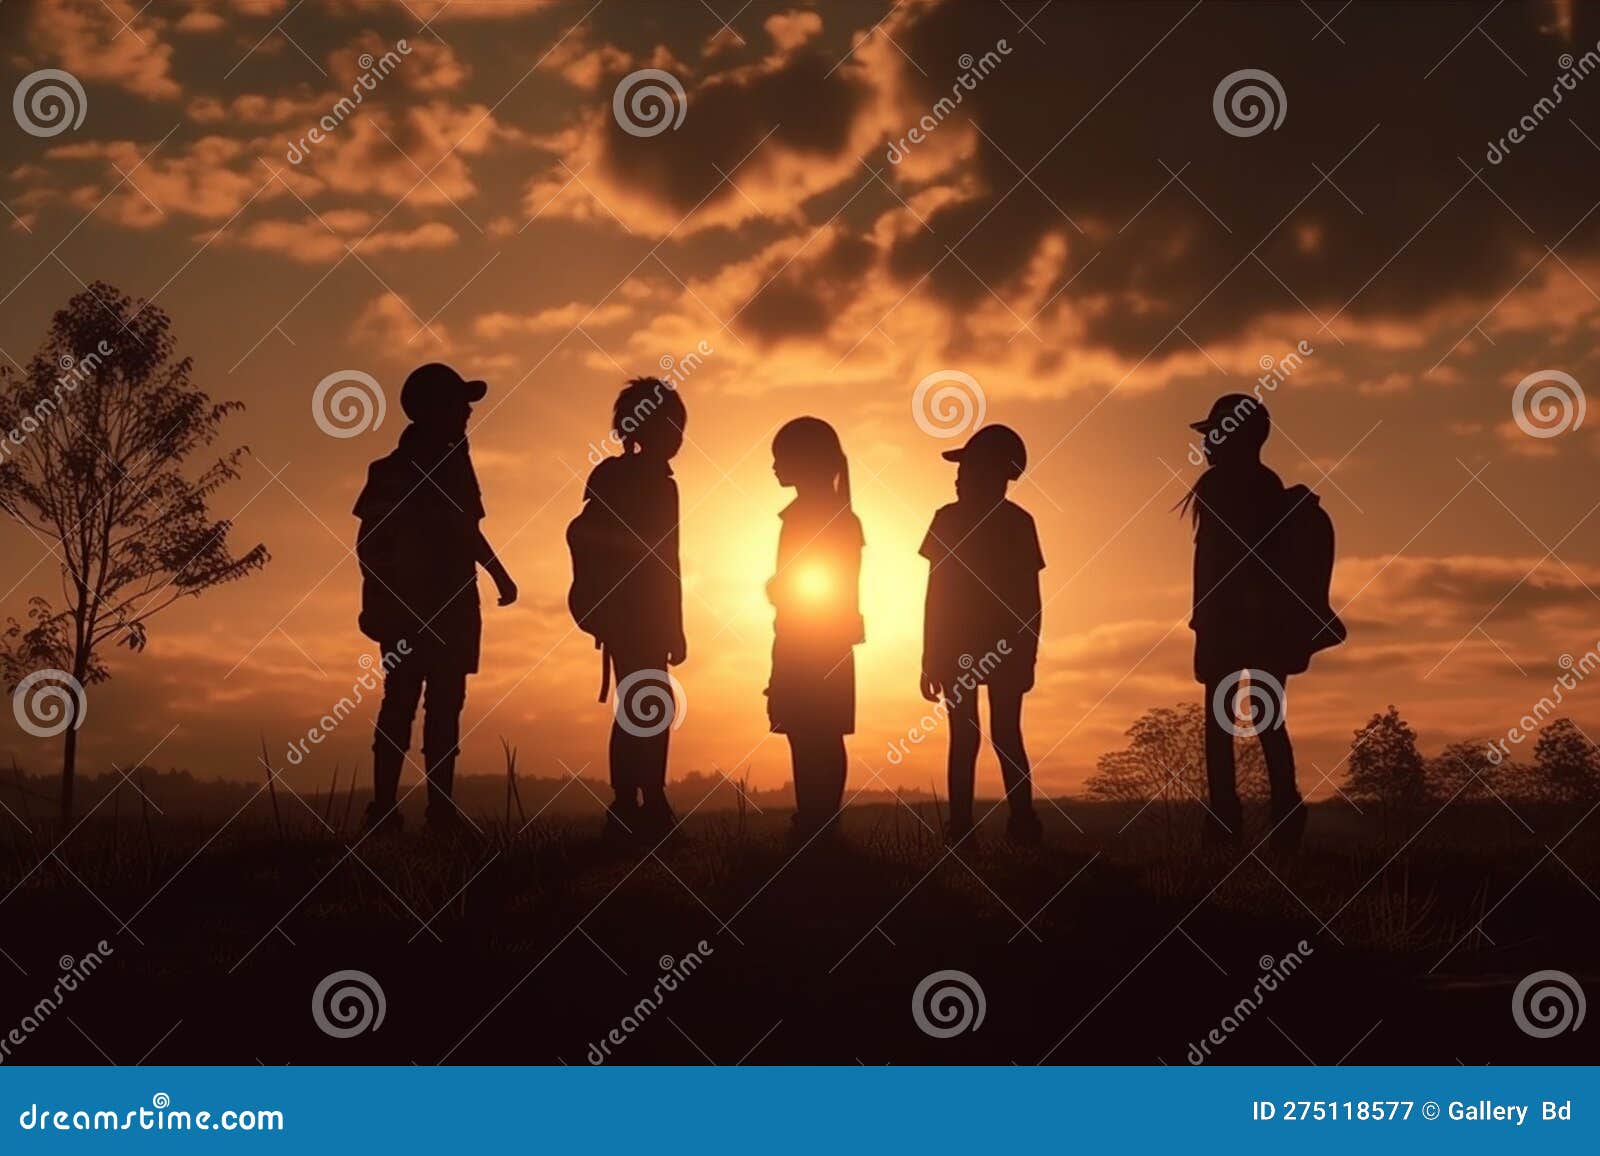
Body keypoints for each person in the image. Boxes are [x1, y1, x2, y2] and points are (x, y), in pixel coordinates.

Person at [353, 363, 517, 834]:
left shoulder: (458, 466)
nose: (467, 411)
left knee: (447, 704)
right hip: (408, 610)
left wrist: (499, 575)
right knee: (401, 702)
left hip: (455, 605)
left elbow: (468, 532)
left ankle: (439, 810)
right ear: (430, 411)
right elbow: (372, 544)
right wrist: (382, 602)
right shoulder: (390, 472)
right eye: (457, 403)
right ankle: (383, 808)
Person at [1183, 393, 1344, 853]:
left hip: (1228, 624)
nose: (1208, 444)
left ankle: (1225, 822)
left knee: (1221, 725)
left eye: (1214, 433)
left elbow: (1210, 566)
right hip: (1267, 625)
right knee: (1268, 719)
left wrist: (1203, 624)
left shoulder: (1217, 488)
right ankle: (1285, 813)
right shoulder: (1269, 487)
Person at [568, 378, 687, 841]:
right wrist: (674, 626)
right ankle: (649, 802)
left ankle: (626, 803)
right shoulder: (658, 485)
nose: (678, 436)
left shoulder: (607, 475)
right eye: (673, 426)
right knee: (651, 704)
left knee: (632, 704)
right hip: (644, 613)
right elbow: (666, 559)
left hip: (617, 614)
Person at [919, 424, 1044, 847]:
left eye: (967, 468)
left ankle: (1015, 823)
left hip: (993, 647)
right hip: (963, 649)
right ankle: (965, 827)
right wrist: (929, 656)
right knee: (971, 734)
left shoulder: (1014, 523)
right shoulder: (950, 520)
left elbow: (1029, 600)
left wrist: (1027, 653)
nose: (958, 477)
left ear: (994, 474)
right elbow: (936, 593)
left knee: (999, 733)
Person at [766, 417, 863, 839]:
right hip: (825, 640)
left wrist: (776, 588)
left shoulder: (812, 517)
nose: (773, 466)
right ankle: (820, 820)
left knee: (811, 734)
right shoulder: (840, 517)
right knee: (817, 733)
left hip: (808, 641)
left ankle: (816, 821)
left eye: (780, 457)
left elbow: (807, 581)